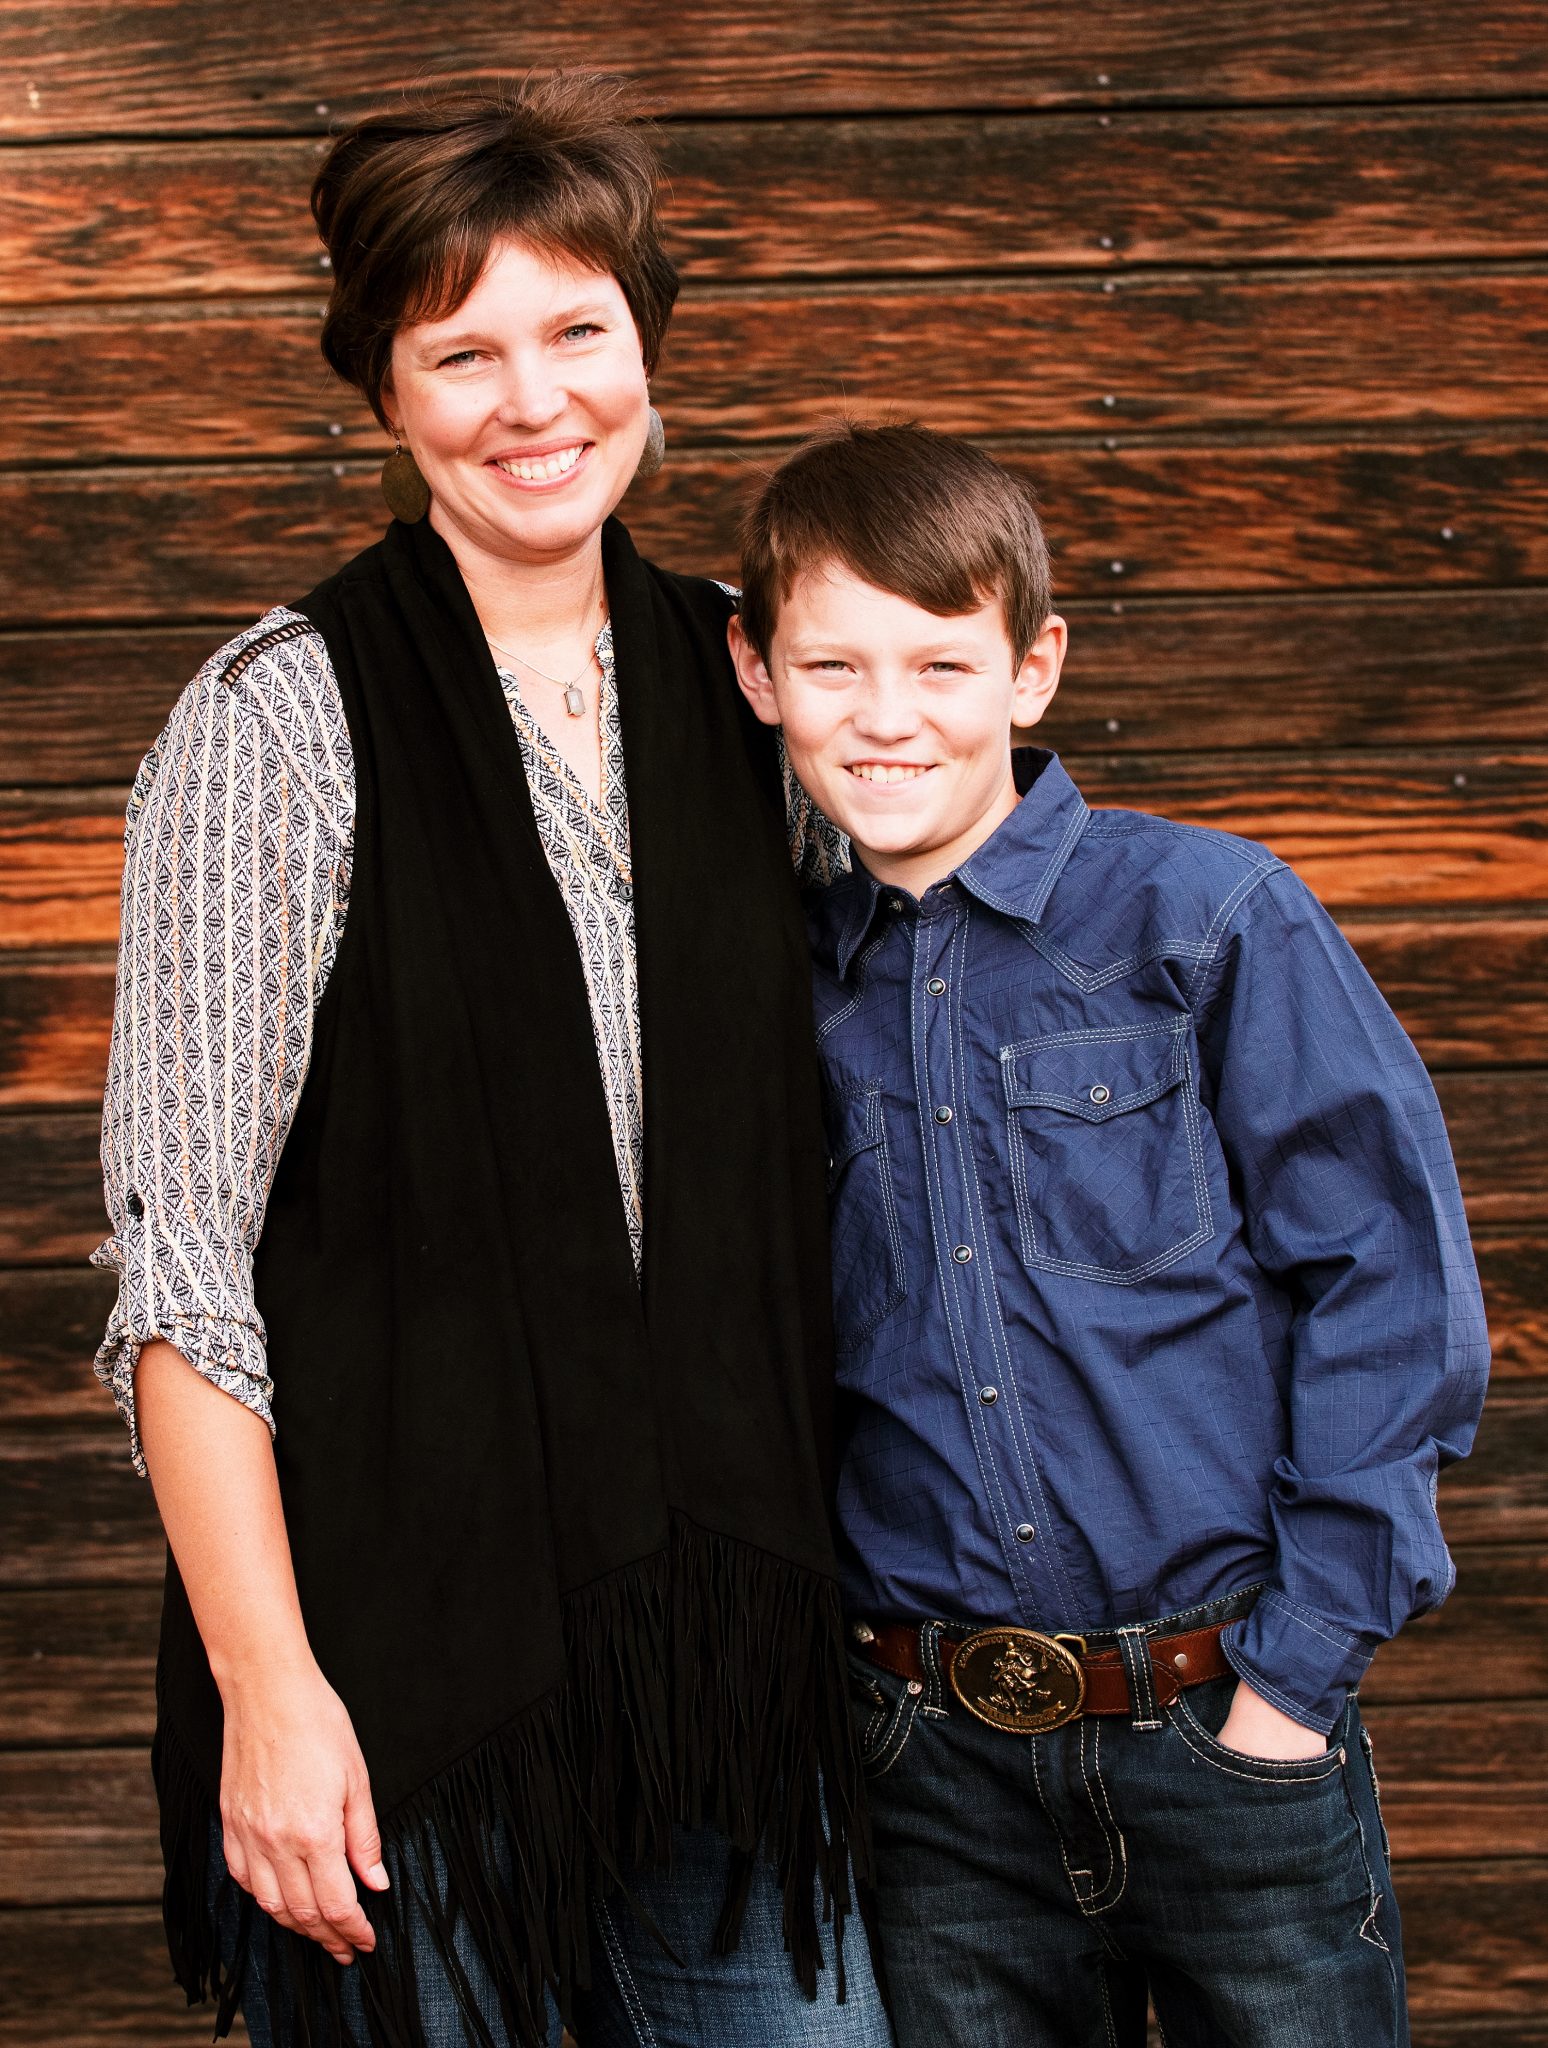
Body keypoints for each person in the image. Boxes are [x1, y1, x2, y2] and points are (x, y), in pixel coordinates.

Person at [91, 79, 891, 2048]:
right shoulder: (278, 723)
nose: (533, 401)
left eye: (576, 332)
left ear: (645, 347)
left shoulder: (757, 684)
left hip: (728, 1661)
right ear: (382, 390)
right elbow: (182, 1268)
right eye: (462, 352)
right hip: (403, 1686)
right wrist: (272, 1696)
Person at [729, 421, 1491, 2048]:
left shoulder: (1205, 919)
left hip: (1223, 1723)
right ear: (756, 674)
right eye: (833, 664)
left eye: (941, 662)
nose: (885, 716)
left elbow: (1390, 1288)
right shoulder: (777, 988)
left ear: (1033, 668)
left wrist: (1292, 1688)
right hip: (927, 1769)